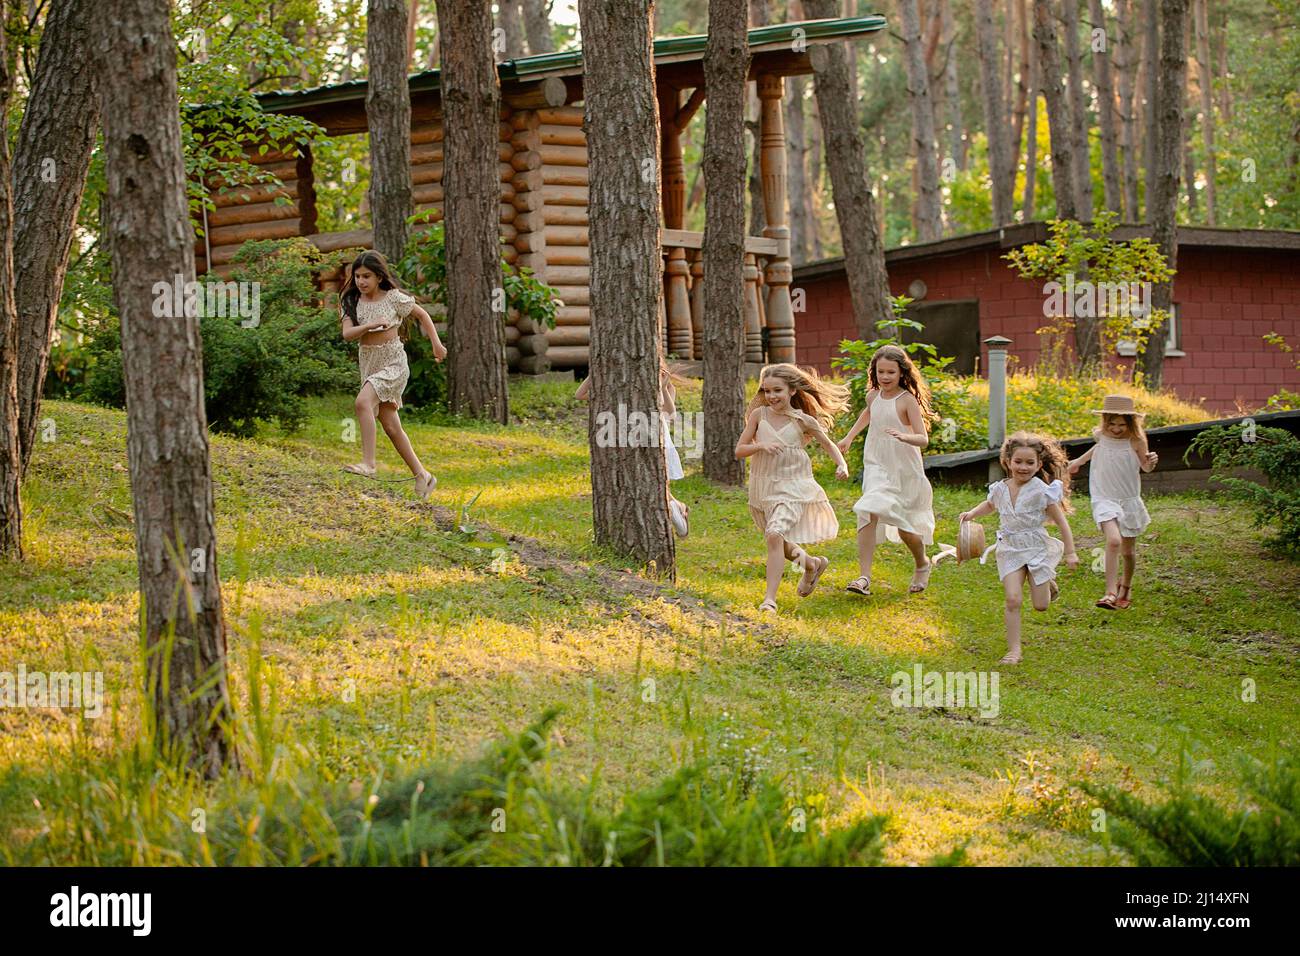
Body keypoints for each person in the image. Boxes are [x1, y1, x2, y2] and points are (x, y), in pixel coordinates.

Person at [735, 364, 850, 614]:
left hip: (794, 486)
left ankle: (769, 600)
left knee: (775, 534)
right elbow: (739, 450)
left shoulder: (804, 421)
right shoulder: (759, 416)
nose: (771, 396)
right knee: (776, 539)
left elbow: (829, 445)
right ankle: (810, 565)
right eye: (767, 391)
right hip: (763, 486)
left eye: (777, 390)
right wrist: (760, 446)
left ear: (792, 390)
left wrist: (842, 465)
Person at [959, 431, 1080, 664]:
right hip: (1010, 550)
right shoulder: (1000, 488)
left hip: (1036, 548)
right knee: (1013, 600)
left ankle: (1047, 582)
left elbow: (1062, 523)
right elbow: (990, 504)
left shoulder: (1042, 491)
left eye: (1029, 463)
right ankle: (1014, 651)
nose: (1023, 467)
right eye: (1018, 462)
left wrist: (1071, 552)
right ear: (1007, 462)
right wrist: (972, 513)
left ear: (1039, 465)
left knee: (1041, 605)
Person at [338, 250, 446, 499]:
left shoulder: (394, 298)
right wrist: (369, 325)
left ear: (378, 277)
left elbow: (422, 315)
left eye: (366, 276)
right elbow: (347, 334)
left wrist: (436, 344)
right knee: (390, 424)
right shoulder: (350, 301)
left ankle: (369, 464)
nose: (361, 281)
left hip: (393, 363)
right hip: (370, 363)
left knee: (362, 402)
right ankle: (423, 475)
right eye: (357, 276)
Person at [836, 345, 938, 596]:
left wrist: (905, 437)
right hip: (876, 462)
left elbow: (923, 439)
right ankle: (864, 577)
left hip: (903, 467)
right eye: (880, 371)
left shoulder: (907, 400)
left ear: (902, 373)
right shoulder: (873, 395)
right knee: (867, 509)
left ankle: (922, 562)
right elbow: (869, 413)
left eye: (890, 372)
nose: (885, 377)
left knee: (905, 527)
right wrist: (849, 437)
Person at [1068, 394, 1158, 609]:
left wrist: (1151, 462)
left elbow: (1145, 467)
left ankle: (1125, 586)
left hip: (1128, 499)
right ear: (1105, 422)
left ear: (1131, 424)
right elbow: (1098, 449)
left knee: (1128, 552)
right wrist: (1078, 462)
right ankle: (1109, 593)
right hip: (1103, 497)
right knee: (1114, 541)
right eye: (1112, 424)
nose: (1116, 429)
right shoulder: (1101, 436)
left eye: (1122, 425)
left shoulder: (1136, 441)